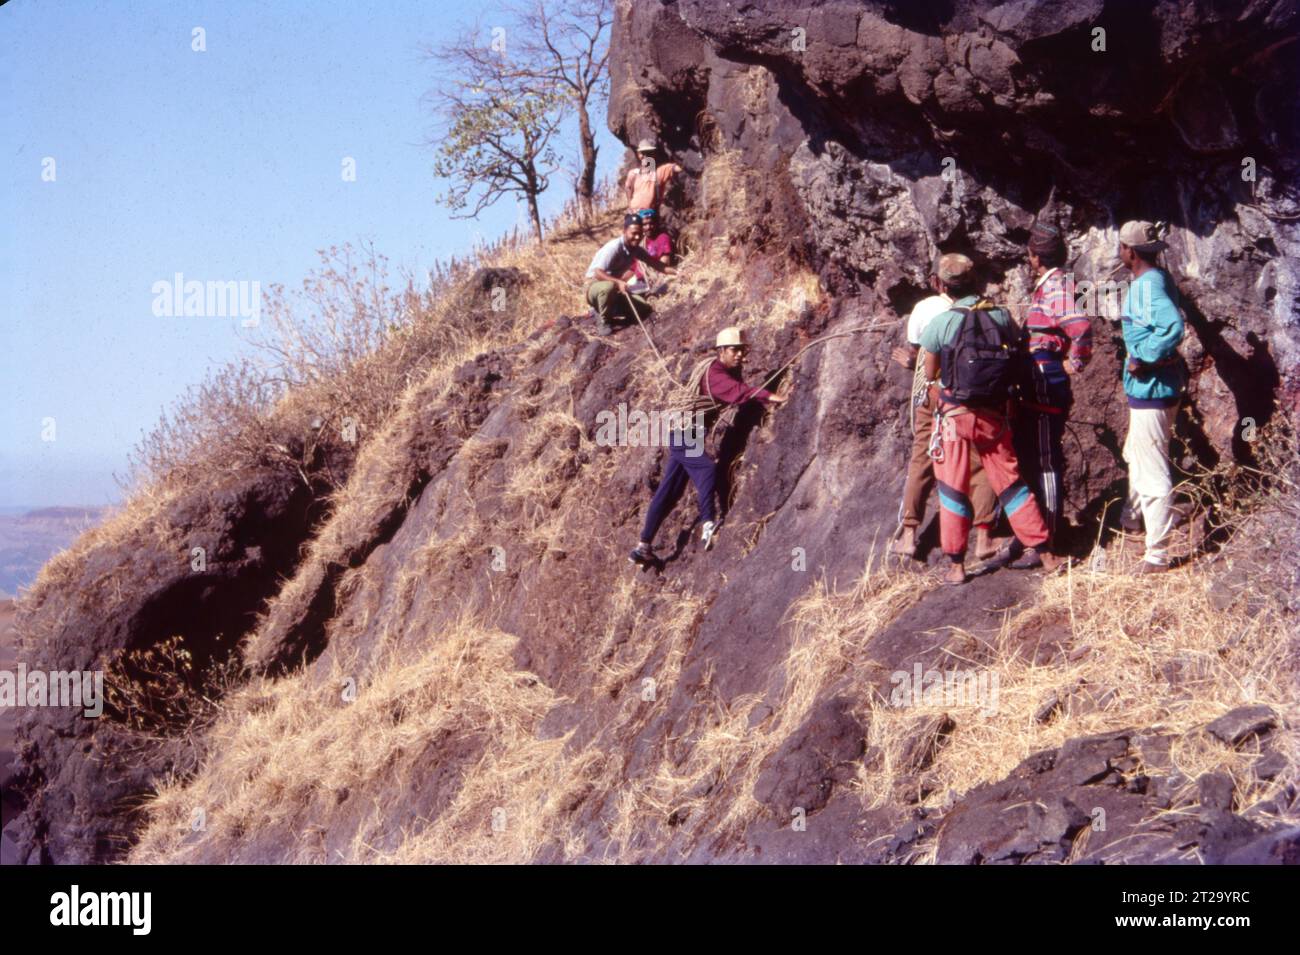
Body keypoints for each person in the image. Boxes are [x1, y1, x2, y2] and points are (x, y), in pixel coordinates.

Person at [918, 255, 1063, 585]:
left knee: (953, 487)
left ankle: (956, 565)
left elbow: (930, 372)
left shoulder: (941, 323)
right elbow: (1017, 351)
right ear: (974, 281)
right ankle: (1046, 553)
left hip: (955, 415)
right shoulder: (999, 315)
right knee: (1010, 482)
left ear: (942, 285)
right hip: (995, 415)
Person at [630, 327, 787, 565]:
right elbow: (738, 393)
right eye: (734, 350)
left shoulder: (727, 369)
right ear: (721, 350)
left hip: (684, 433)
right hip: (683, 432)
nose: (739, 355)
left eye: (742, 350)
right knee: (706, 469)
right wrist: (772, 397)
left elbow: (738, 390)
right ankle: (708, 523)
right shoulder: (715, 374)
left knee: (670, 490)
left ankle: (643, 546)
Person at [891, 256, 1002, 560]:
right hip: (976, 396)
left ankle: (910, 533)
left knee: (923, 458)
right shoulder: (988, 309)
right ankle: (984, 538)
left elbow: (921, 360)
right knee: (980, 459)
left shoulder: (928, 310)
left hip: (936, 393)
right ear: (973, 280)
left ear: (937, 282)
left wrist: (917, 365)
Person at [1013, 221, 1093, 546]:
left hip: (1047, 379)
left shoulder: (1056, 286)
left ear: (1035, 257)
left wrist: (1074, 362)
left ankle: (1049, 536)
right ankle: (1035, 530)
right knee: (1034, 454)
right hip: (1038, 378)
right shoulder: (1053, 284)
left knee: (1045, 458)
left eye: (1030, 255)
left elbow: (1081, 327)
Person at [1116, 220, 1186, 574]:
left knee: (1153, 471)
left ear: (1129, 251)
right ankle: (1132, 517)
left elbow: (1173, 325)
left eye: (1121, 246)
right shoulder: (1159, 278)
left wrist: (1144, 357)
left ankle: (1157, 555)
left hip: (1151, 390)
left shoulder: (1145, 288)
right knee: (1137, 454)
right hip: (1162, 388)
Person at [584, 214, 677, 335]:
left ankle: (609, 309)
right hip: (595, 287)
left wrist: (677, 272)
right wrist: (618, 282)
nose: (637, 237)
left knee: (644, 308)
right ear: (624, 231)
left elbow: (657, 265)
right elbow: (597, 273)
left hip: (614, 291)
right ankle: (603, 320)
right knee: (608, 287)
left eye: (640, 233)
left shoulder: (636, 250)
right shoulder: (613, 247)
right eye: (633, 233)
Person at [623, 139, 681, 216]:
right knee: (632, 226)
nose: (645, 156)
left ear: (654, 154)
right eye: (643, 153)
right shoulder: (633, 174)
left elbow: (679, 168)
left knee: (648, 224)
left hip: (651, 213)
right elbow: (628, 188)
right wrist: (630, 205)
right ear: (638, 154)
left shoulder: (660, 171)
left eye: (648, 153)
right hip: (634, 213)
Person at [622, 209, 674, 294]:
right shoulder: (640, 243)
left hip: (652, 282)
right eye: (644, 224)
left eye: (651, 223)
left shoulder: (662, 238)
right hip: (640, 282)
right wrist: (618, 282)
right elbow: (632, 269)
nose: (648, 227)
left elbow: (664, 264)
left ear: (656, 223)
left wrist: (656, 283)